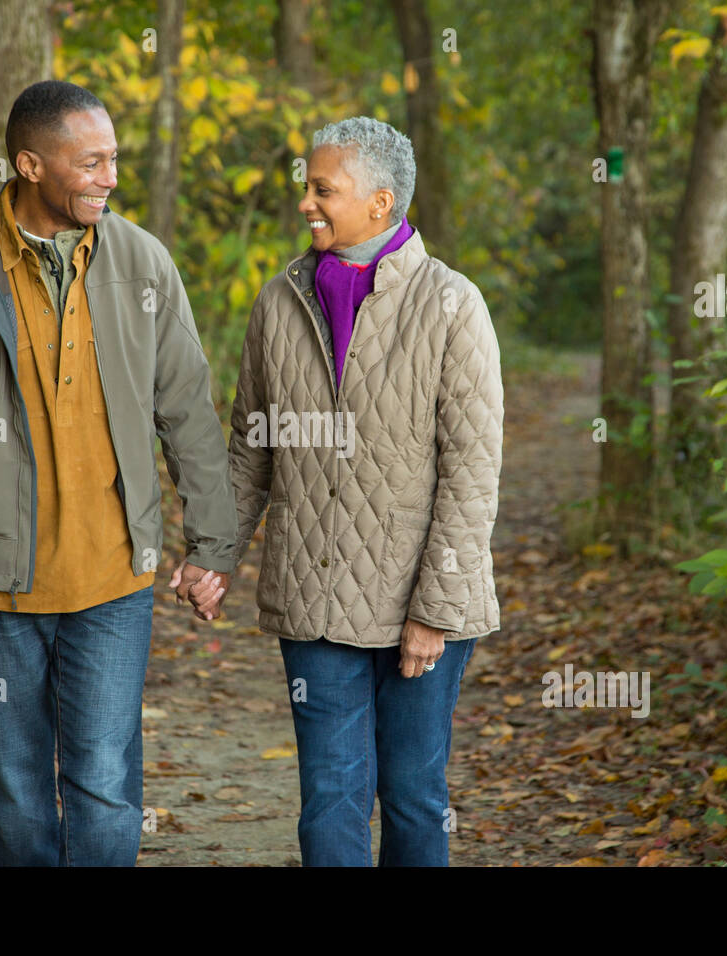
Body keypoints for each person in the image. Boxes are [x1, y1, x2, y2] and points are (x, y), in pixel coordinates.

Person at [0, 80, 235, 866]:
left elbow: (188, 413)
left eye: (114, 158)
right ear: (29, 165)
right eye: (92, 161)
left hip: (112, 579)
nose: (111, 176)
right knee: (15, 787)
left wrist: (213, 545)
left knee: (104, 781)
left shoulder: (143, 262)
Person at [189, 116, 503, 866]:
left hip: (418, 606)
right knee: (329, 796)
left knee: (413, 796)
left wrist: (436, 608)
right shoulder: (278, 303)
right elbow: (252, 447)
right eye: (306, 187)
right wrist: (216, 555)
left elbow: (472, 471)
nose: (306, 202)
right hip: (313, 597)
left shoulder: (452, 304)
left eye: (323, 188)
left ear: (380, 201)